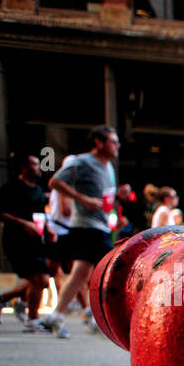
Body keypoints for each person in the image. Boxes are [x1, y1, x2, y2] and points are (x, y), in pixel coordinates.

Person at [44, 126, 119, 339]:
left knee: (80, 274)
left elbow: (105, 196)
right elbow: (55, 182)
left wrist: (117, 199)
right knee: (112, 268)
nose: (117, 146)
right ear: (99, 142)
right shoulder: (81, 161)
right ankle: (102, 317)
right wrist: (82, 199)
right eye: (113, 141)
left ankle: (56, 315)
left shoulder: (108, 167)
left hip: (101, 226)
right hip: (87, 227)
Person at [0, 152, 52, 331]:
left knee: (42, 280)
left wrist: (47, 228)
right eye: (35, 164)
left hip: (36, 240)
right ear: (24, 167)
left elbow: (40, 214)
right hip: (16, 239)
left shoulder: (37, 189)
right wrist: (23, 223)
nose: (39, 168)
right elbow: (1, 212)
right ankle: (32, 320)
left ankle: (3, 299)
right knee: (38, 279)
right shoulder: (11, 187)